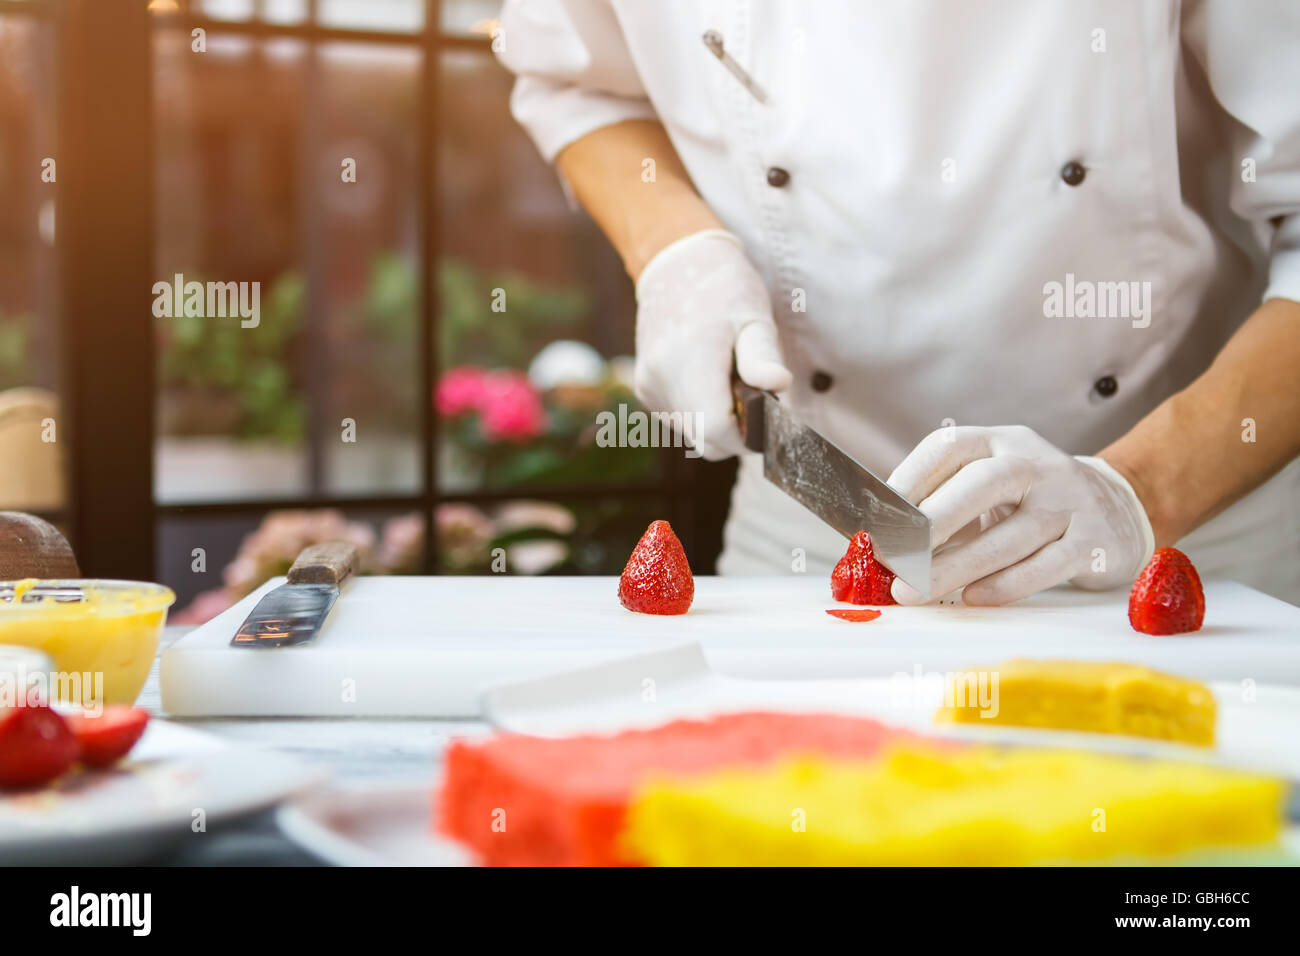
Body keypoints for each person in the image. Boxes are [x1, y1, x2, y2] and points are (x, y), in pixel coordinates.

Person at [495, 0, 1300, 605]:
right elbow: (577, 80)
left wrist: (1138, 494)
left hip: (1184, 546)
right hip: (813, 531)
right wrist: (673, 247)